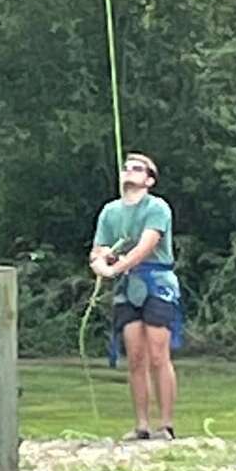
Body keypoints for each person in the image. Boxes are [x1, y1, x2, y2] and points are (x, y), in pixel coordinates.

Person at [89, 152, 183, 442]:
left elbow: (145, 246)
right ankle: (141, 425)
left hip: (156, 283)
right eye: (126, 168)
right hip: (126, 288)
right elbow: (97, 250)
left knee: (158, 354)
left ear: (149, 179)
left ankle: (165, 425)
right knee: (135, 357)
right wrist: (100, 264)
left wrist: (115, 268)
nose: (129, 172)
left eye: (137, 168)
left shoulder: (157, 207)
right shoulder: (110, 212)